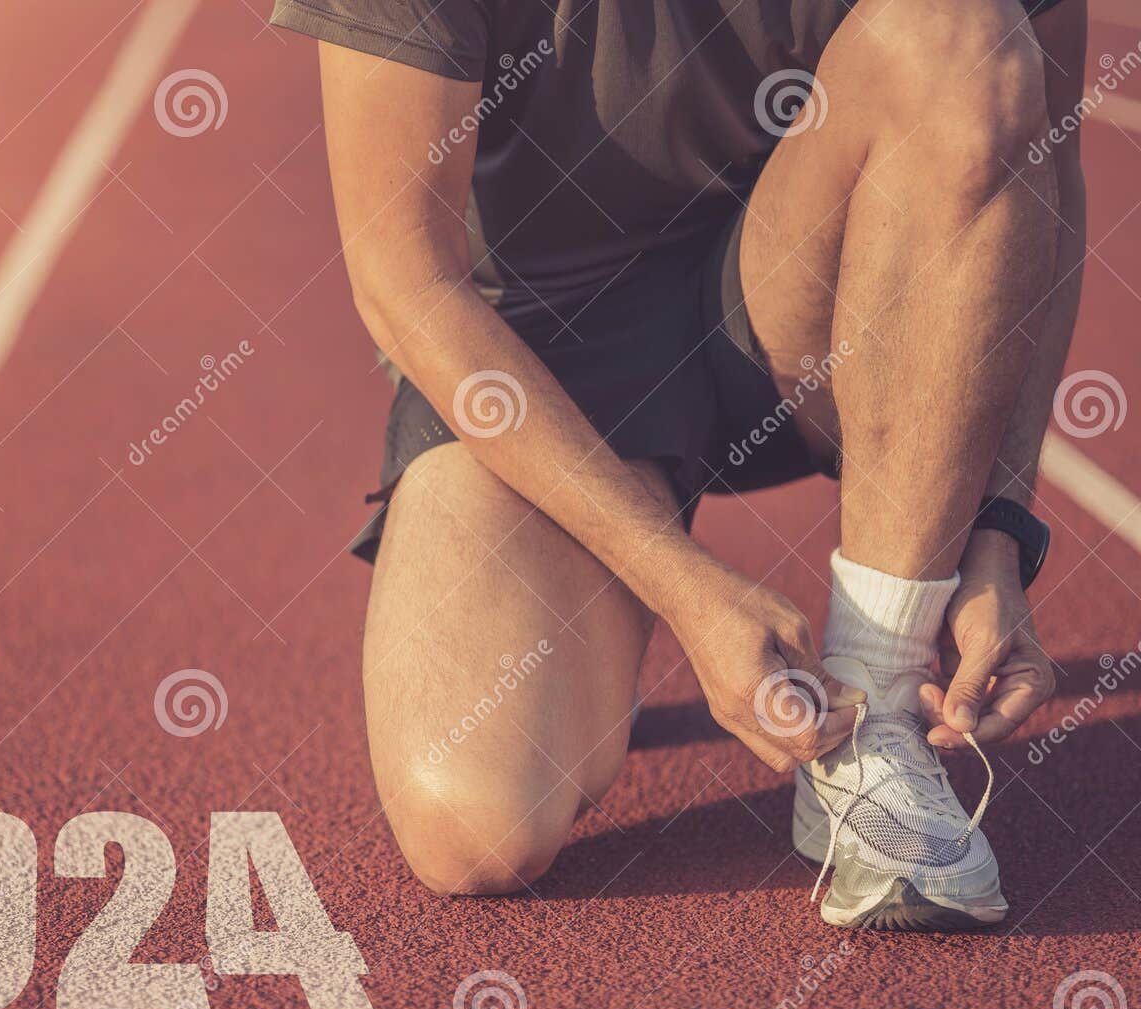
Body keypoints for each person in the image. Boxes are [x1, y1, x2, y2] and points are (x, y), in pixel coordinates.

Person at [270, 0, 1085, 928]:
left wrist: (997, 526)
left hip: (807, 299)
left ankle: (878, 706)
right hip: (544, 352)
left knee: (962, 35)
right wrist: (678, 584)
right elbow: (406, 277)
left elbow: (1043, 166)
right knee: (475, 828)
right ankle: (600, 612)